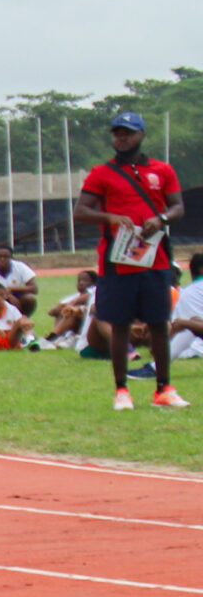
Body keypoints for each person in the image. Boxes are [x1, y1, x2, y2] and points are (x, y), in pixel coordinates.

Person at [74, 110, 188, 410]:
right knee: (120, 324)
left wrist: (160, 218)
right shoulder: (101, 173)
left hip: (156, 259)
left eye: (128, 132)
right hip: (117, 261)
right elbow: (81, 210)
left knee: (159, 324)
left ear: (141, 135)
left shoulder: (162, 170)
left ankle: (163, 388)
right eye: (117, 133)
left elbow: (177, 207)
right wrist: (110, 216)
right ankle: (121, 390)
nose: (122, 138)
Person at [0, 279, 38, 350]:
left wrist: (28, 323)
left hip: (10, 336)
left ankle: (30, 339)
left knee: (22, 321)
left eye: (1, 295)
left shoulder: (11, 308)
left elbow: (20, 320)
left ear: (6, 296)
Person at [47, 269, 97, 347]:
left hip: (89, 322)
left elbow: (89, 296)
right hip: (74, 322)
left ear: (94, 283)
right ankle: (61, 336)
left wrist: (71, 306)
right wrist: (61, 308)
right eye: (79, 280)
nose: (81, 283)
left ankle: (53, 337)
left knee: (71, 312)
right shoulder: (74, 296)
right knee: (65, 311)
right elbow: (51, 312)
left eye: (85, 281)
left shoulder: (94, 293)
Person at [169, 255, 203, 360]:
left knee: (189, 322)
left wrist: (185, 323)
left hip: (190, 347)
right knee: (192, 321)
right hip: (190, 344)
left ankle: (156, 366)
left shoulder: (186, 292)